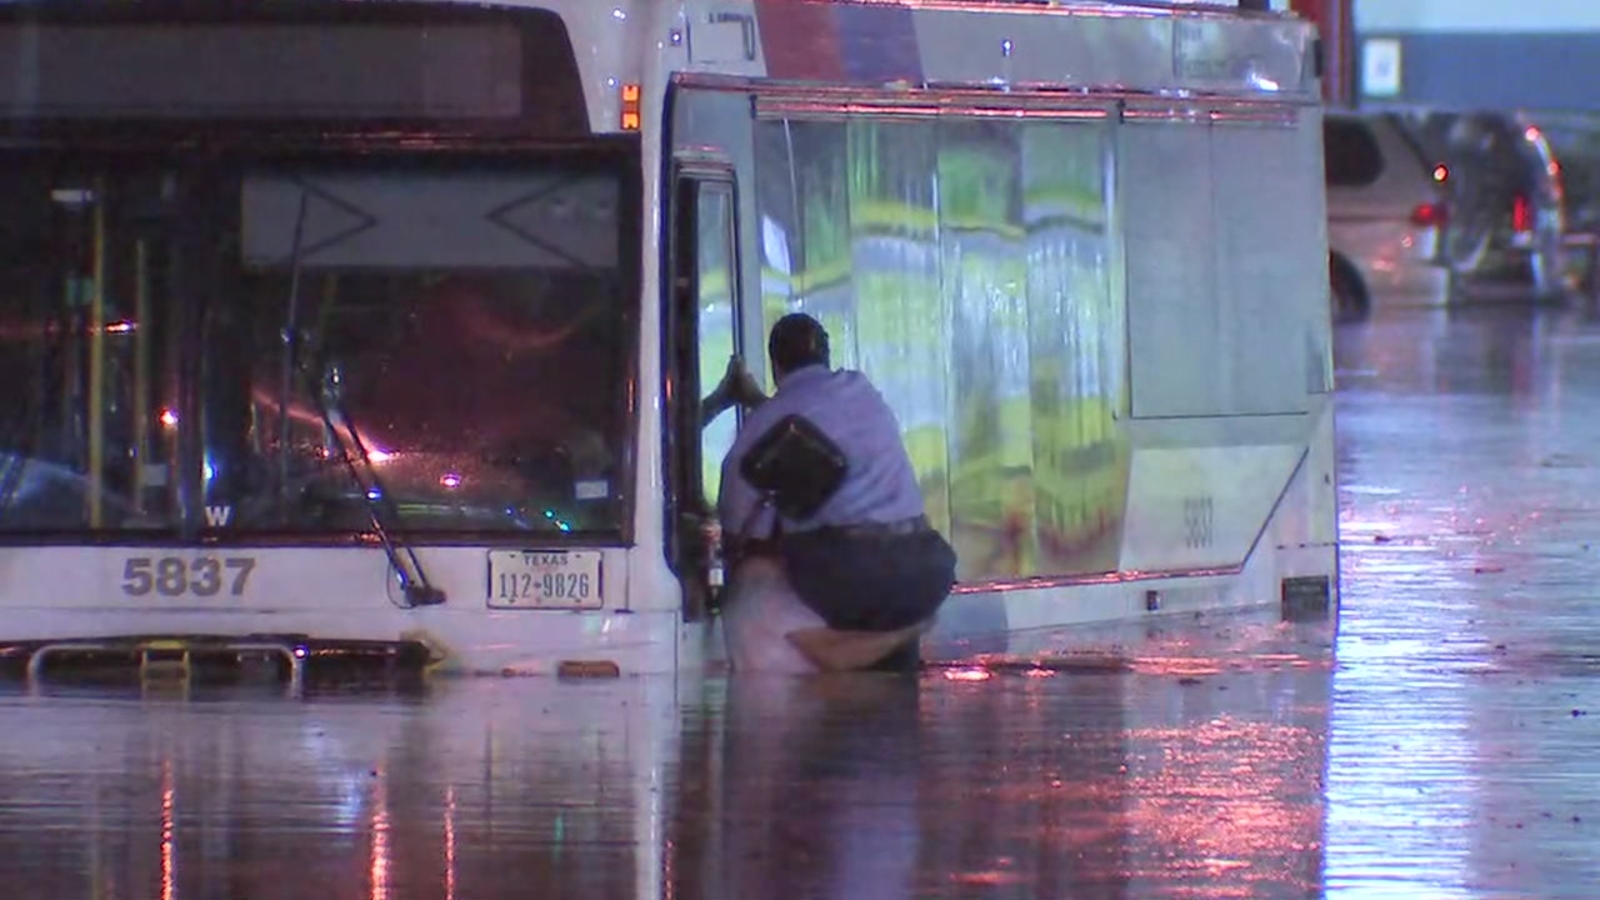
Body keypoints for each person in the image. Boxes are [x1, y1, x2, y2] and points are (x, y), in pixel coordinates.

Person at [707, 313, 956, 672]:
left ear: (776, 364)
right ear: (827, 355)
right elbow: (815, 414)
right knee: (894, 677)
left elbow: (737, 515)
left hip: (846, 574)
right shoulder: (862, 391)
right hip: (925, 568)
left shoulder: (763, 424)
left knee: (842, 679)